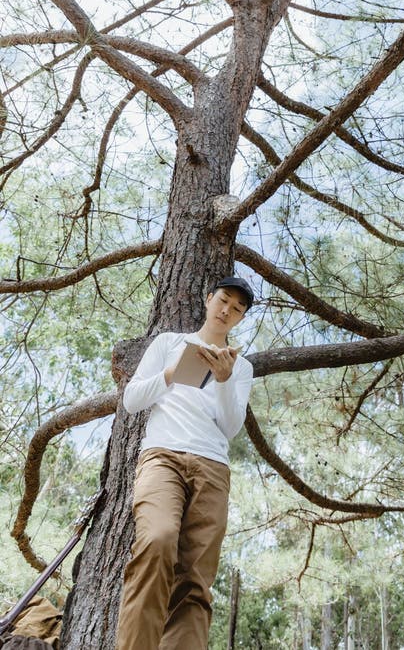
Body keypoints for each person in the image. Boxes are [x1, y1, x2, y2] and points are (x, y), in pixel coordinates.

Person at [115, 276, 254, 650]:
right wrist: (172, 373)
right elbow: (131, 400)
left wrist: (224, 381)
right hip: (163, 458)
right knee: (156, 540)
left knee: (195, 579)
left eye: (237, 308)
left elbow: (230, 427)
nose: (227, 310)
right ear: (208, 299)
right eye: (223, 300)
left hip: (213, 468)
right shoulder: (169, 343)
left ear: (240, 319)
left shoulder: (240, 368)